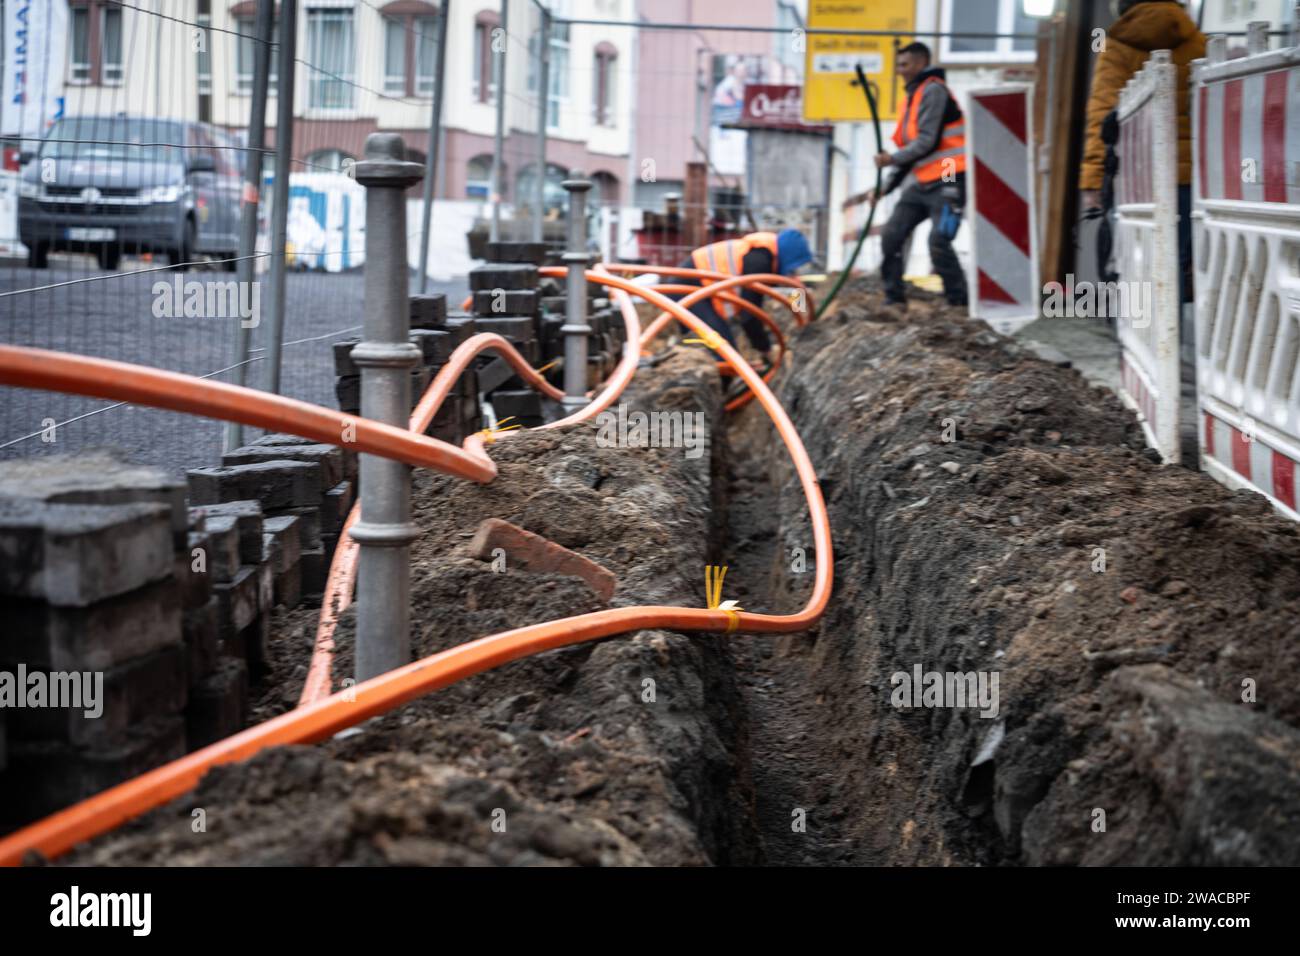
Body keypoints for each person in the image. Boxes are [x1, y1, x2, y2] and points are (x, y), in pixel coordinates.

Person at [1079, 0, 1206, 304]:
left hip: (1137, 173)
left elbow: (1103, 114)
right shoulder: (1197, 41)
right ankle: (1171, 343)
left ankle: (1144, 344)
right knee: (1176, 259)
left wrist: (1093, 179)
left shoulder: (1118, 44)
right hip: (1192, 174)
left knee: (1139, 258)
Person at [866, 41, 968, 309]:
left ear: (921, 63)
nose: (900, 71)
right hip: (923, 181)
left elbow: (926, 142)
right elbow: (909, 151)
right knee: (892, 236)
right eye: (898, 65)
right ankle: (894, 299)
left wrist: (891, 159)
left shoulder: (933, 90)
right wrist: (885, 188)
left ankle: (958, 303)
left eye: (905, 64)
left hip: (948, 173)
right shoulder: (912, 98)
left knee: (939, 239)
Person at [676, 228, 814, 364]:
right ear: (786, 257)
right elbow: (749, 316)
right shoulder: (759, 262)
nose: (793, 273)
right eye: (792, 268)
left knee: (724, 352)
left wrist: (801, 315)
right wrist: (766, 349)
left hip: (697, 288)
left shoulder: (768, 253)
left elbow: (790, 287)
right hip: (687, 289)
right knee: (722, 353)